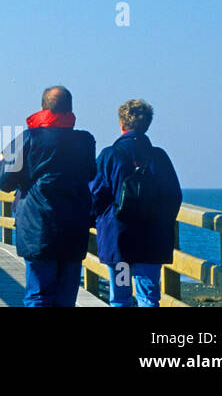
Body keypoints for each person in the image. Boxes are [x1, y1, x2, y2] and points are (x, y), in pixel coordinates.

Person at [0, 86, 96, 306]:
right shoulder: (86, 141)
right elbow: (91, 174)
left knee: (38, 295)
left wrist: (1, 161)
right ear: (70, 108)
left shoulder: (28, 138)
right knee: (66, 298)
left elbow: (4, 182)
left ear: (42, 107)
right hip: (73, 229)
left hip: (37, 228)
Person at [89, 99, 182, 307]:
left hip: (120, 240)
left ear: (122, 124)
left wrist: (96, 222)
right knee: (148, 297)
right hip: (152, 241)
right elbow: (174, 196)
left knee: (120, 297)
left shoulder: (110, 156)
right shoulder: (159, 157)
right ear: (147, 124)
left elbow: (94, 195)